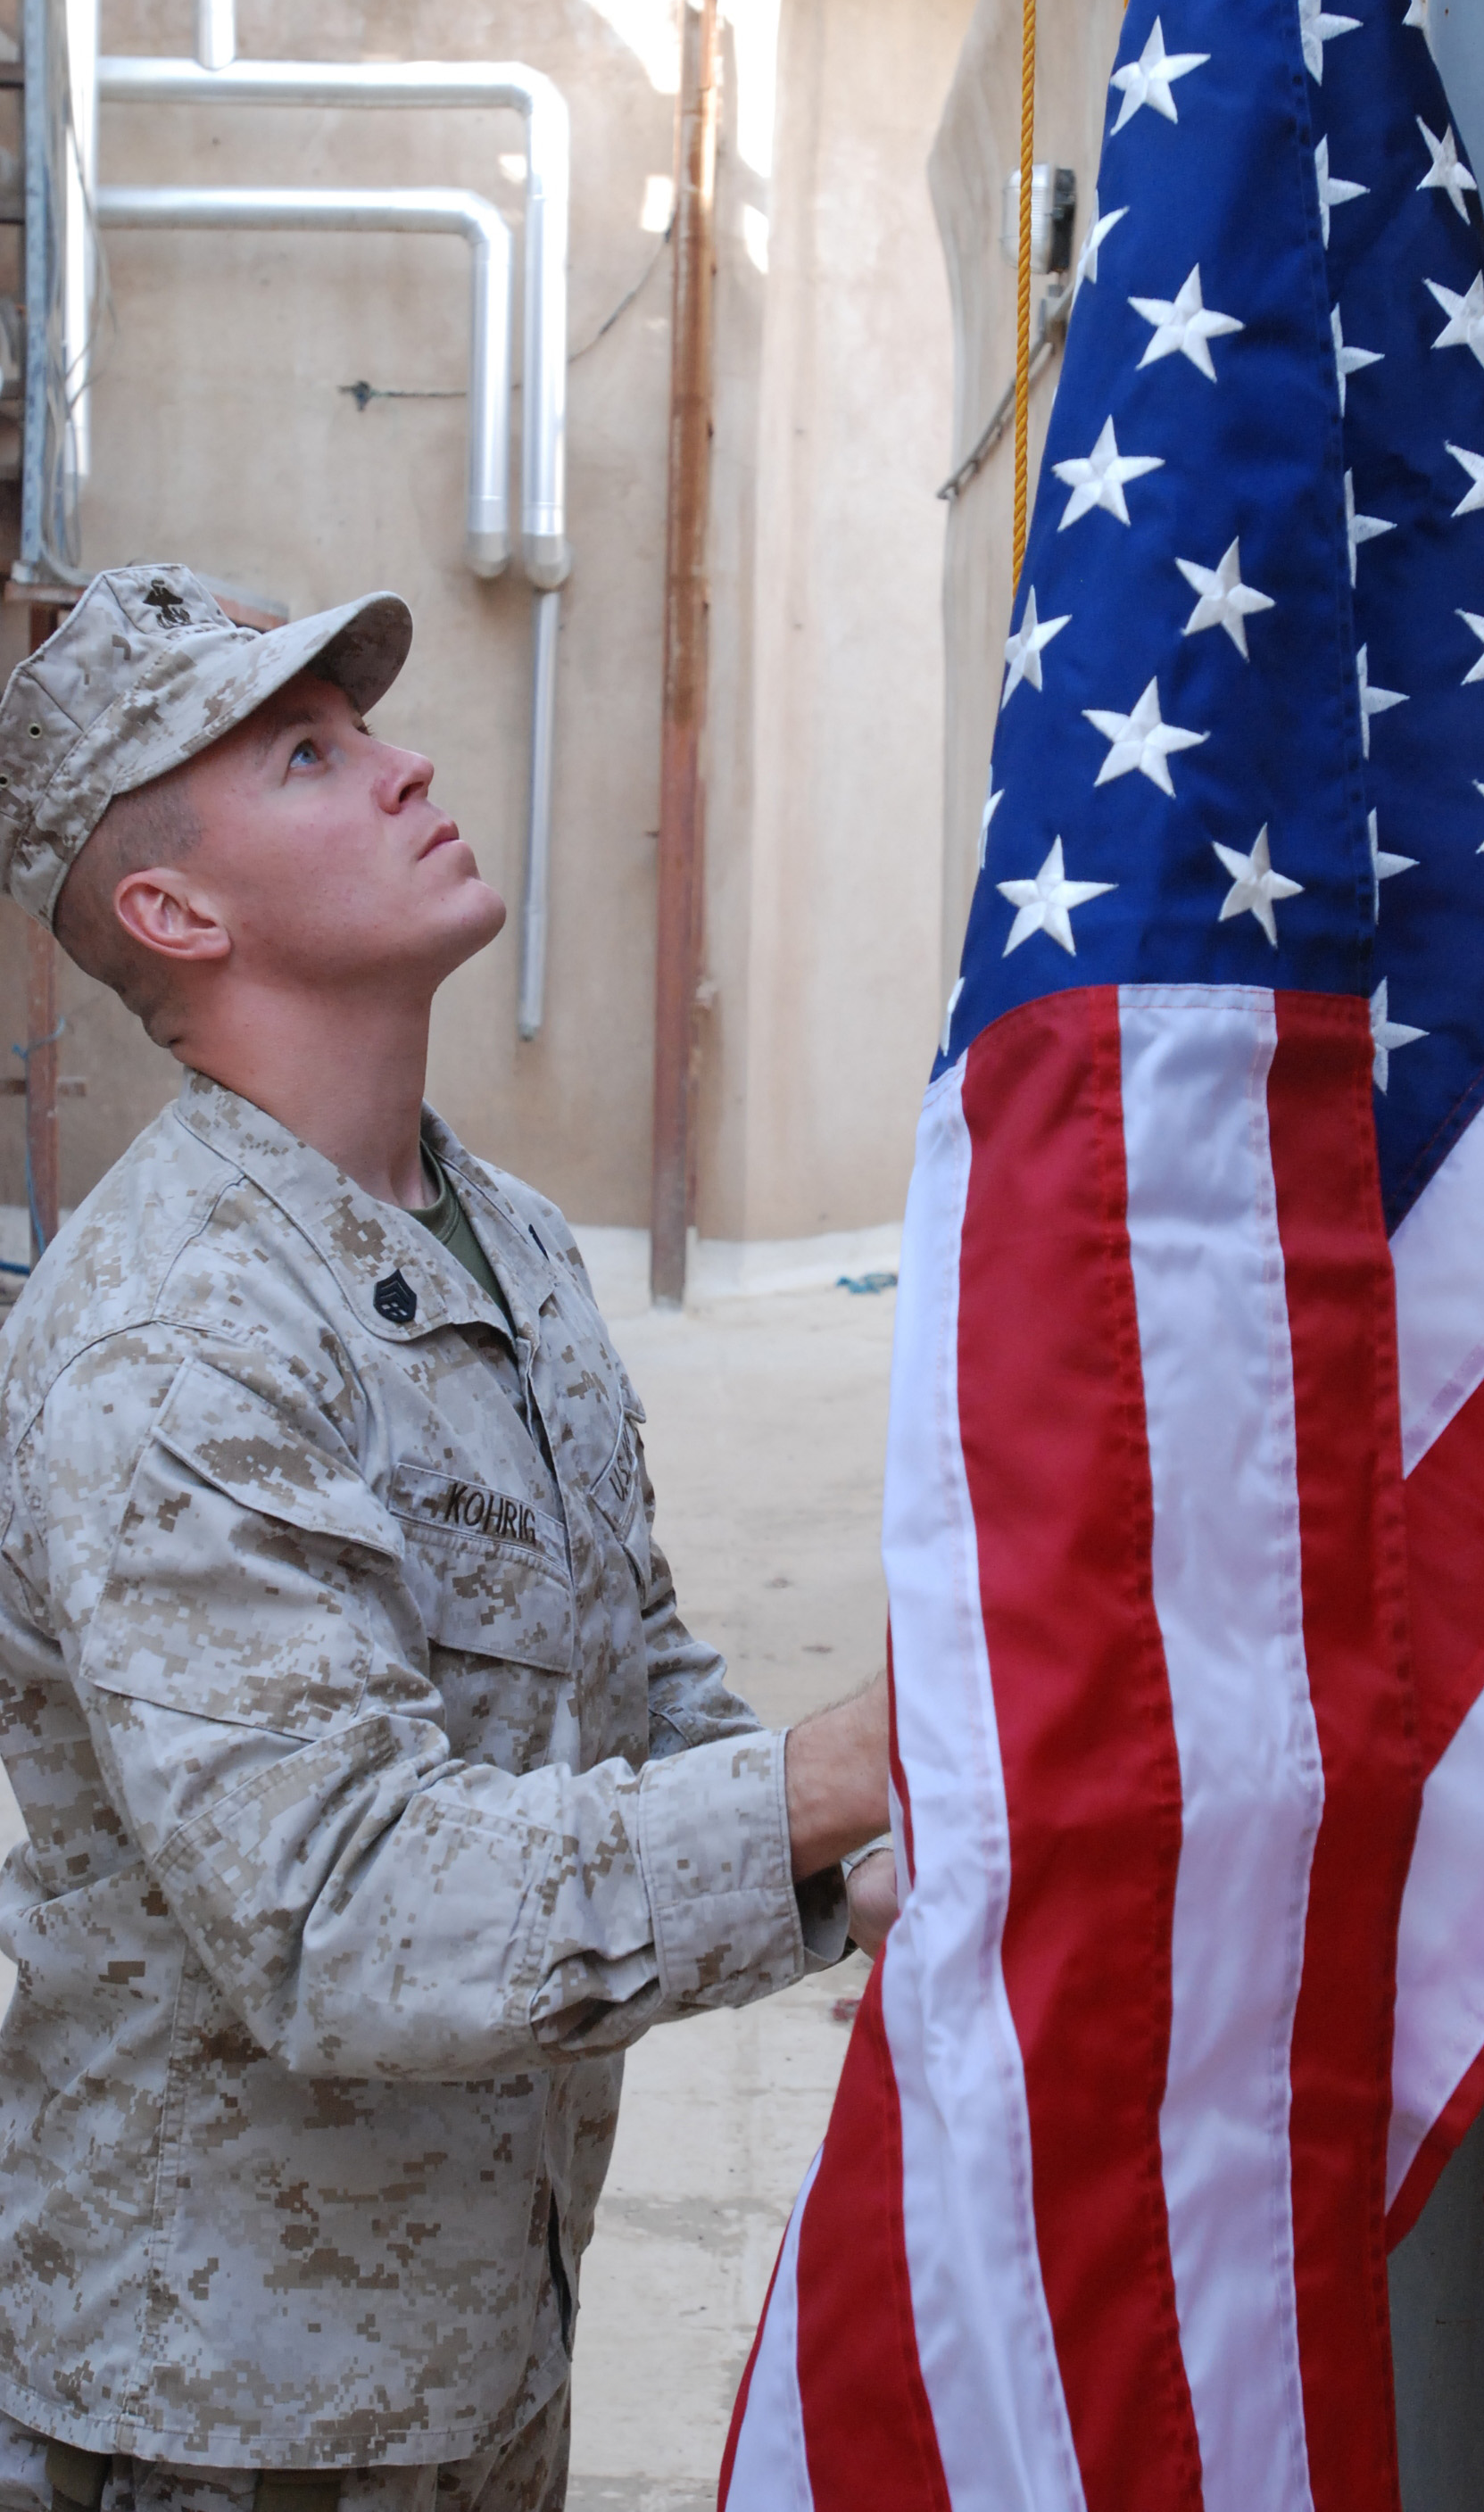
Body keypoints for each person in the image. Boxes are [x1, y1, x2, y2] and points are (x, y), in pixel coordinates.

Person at [0, 566, 898, 2512]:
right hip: (222, 2413)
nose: (404, 769)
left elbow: (633, 1676)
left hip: (483, 2338)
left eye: (367, 726)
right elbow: (343, 1907)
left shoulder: (501, 1237)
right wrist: (836, 1773)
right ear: (176, 910)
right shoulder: (174, 1343)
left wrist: (899, 1851)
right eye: (309, 757)